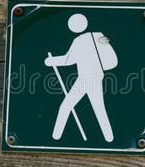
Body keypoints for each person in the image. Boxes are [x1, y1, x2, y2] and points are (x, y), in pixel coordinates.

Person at [44, 13, 115, 142]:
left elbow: (68, 60)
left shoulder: (80, 40)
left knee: (66, 106)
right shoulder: (99, 36)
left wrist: (50, 61)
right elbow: (113, 60)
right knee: (99, 109)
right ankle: (109, 139)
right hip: (94, 78)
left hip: (85, 80)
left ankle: (55, 137)